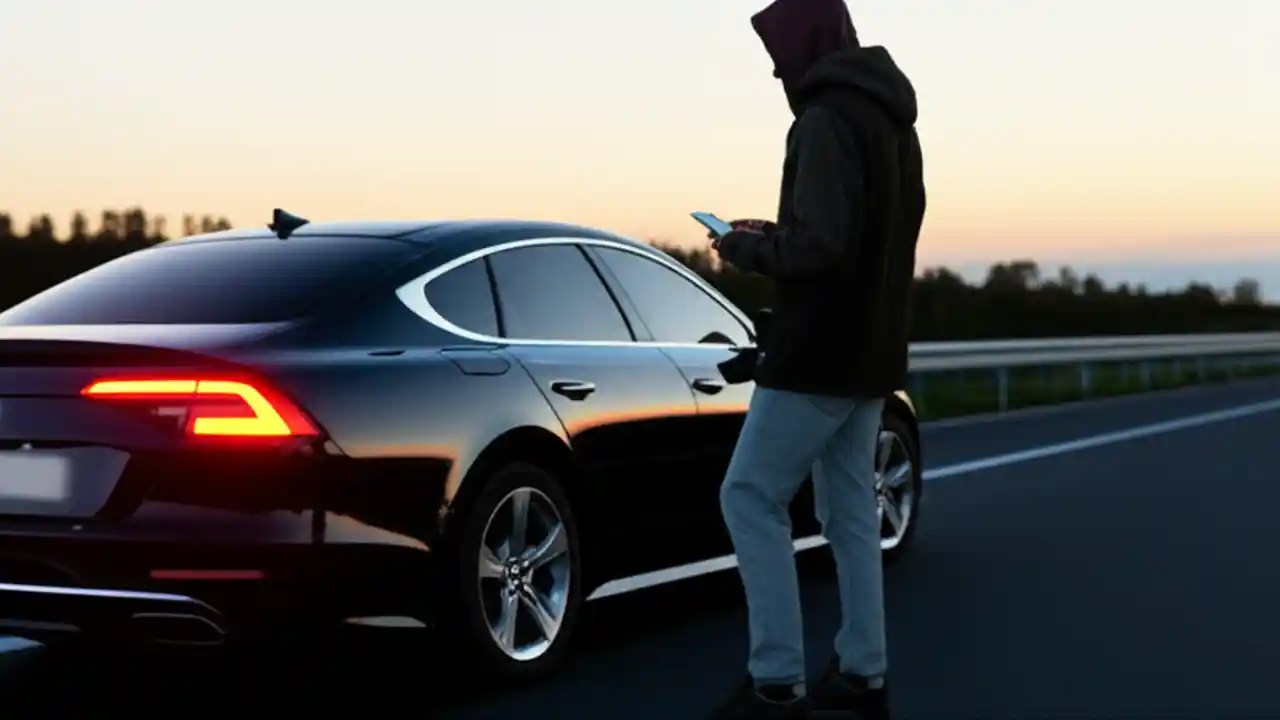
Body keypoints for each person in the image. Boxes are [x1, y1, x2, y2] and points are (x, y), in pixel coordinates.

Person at [707, 0, 926, 718]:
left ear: (808, 47)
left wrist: (743, 249)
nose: (777, 72)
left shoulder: (825, 121)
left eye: (780, 56)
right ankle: (865, 674)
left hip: (817, 352)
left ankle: (776, 681)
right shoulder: (893, 124)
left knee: (749, 495)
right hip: (870, 354)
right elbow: (855, 237)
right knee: (850, 513)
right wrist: (777, 231)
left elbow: (821, 250)